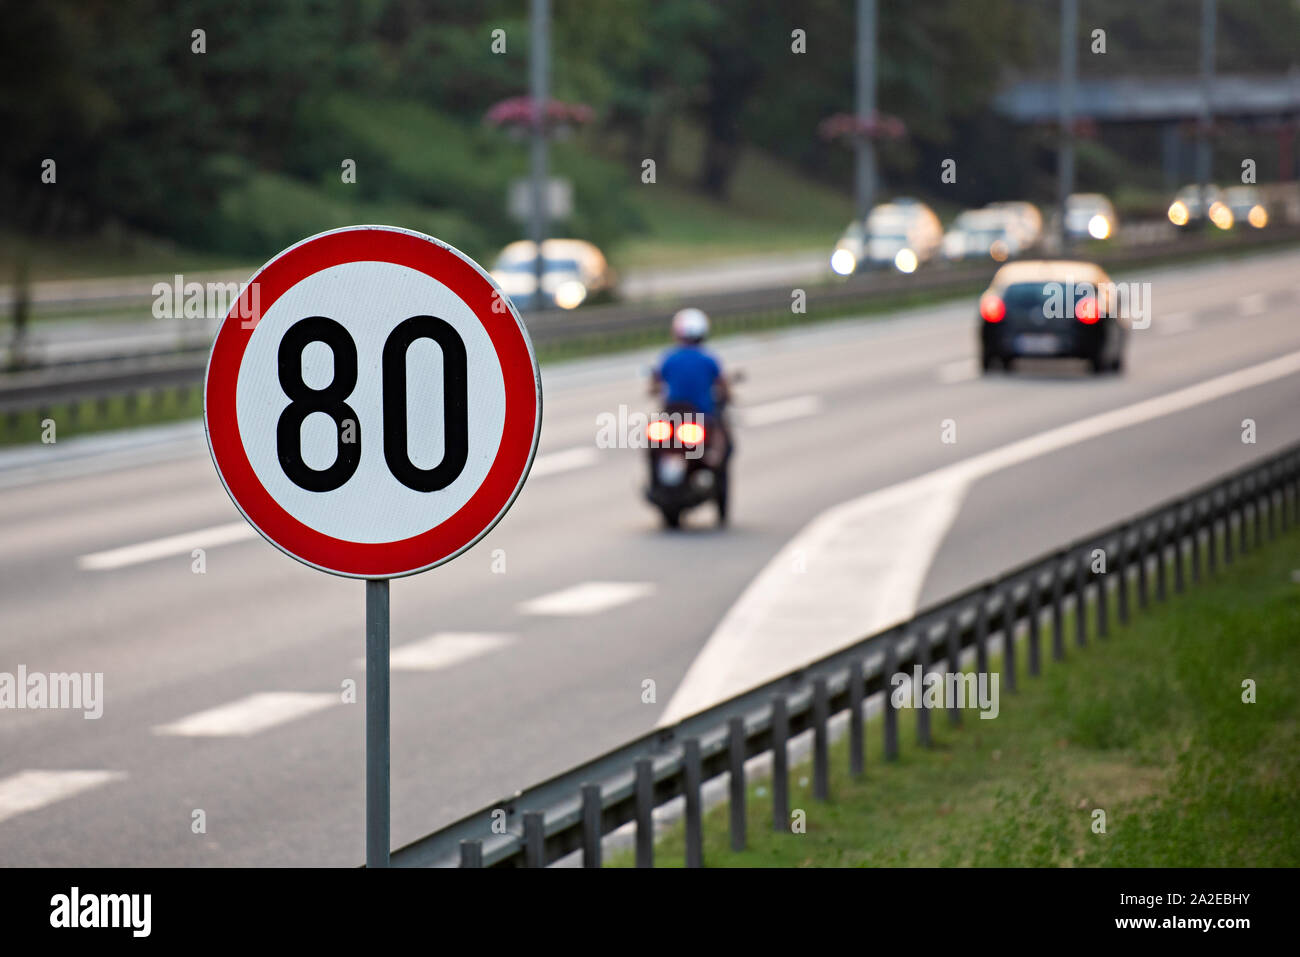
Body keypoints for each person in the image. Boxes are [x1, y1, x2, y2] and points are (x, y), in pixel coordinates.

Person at [650, 308, 729, 416]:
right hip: (702, 415)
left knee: (654, 428)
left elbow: (655, 385)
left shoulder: (668, 358)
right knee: (721, 427)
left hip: (673, 414)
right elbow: (722, 385)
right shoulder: (708, 359)